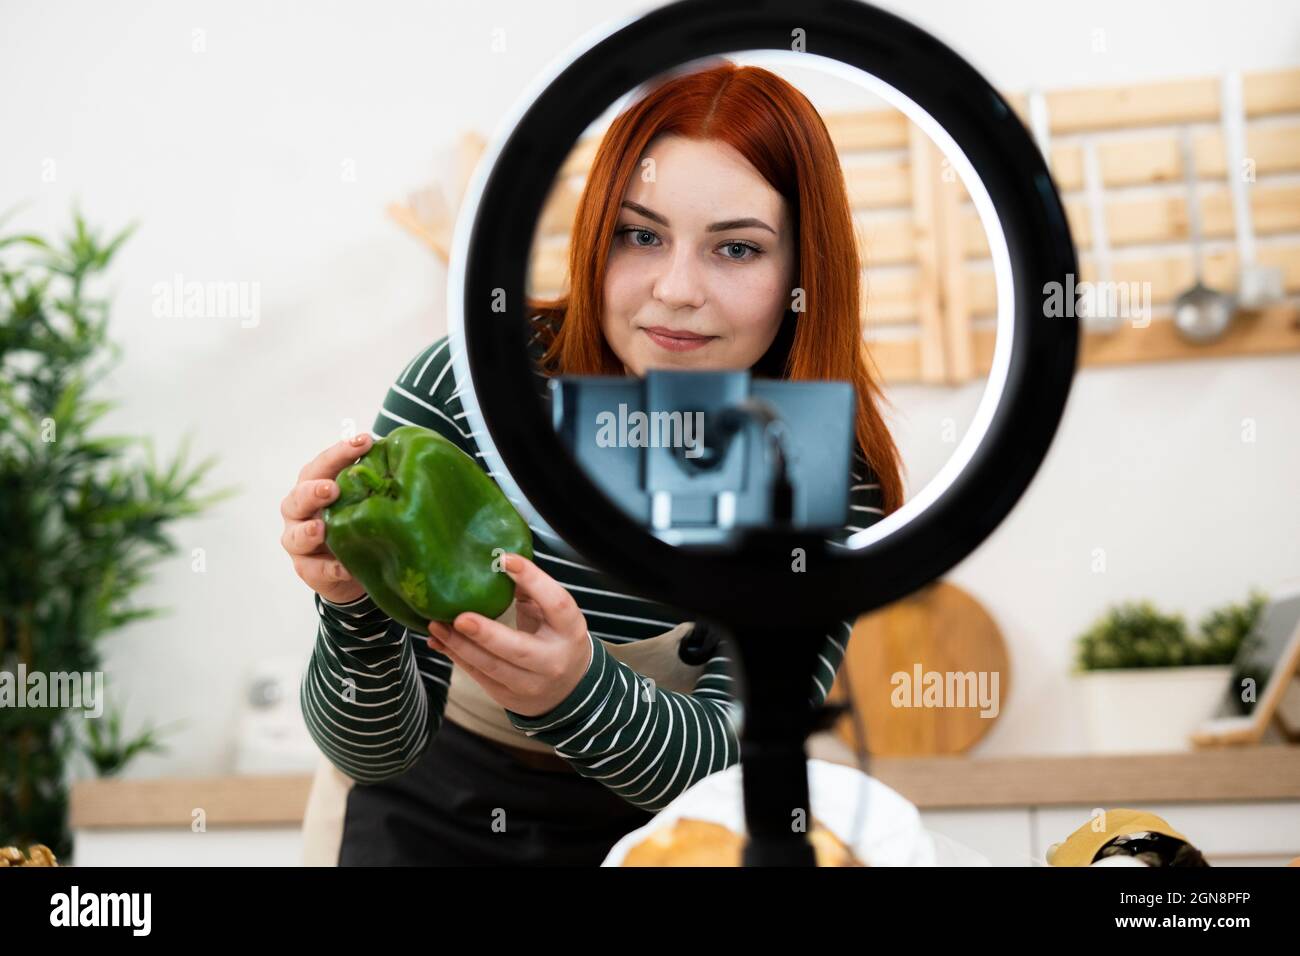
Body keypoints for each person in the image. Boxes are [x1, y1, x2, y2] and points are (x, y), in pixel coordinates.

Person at [281, 60, 904, 865]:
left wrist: (575, 692)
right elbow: (372, 749)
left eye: (738, 250)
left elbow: (735, 762)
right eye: (640, 235)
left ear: (801, 274)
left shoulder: (824, 466)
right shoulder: (471, 387)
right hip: (424, 817)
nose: (676, 290)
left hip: (669, 836)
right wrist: (352, 601)